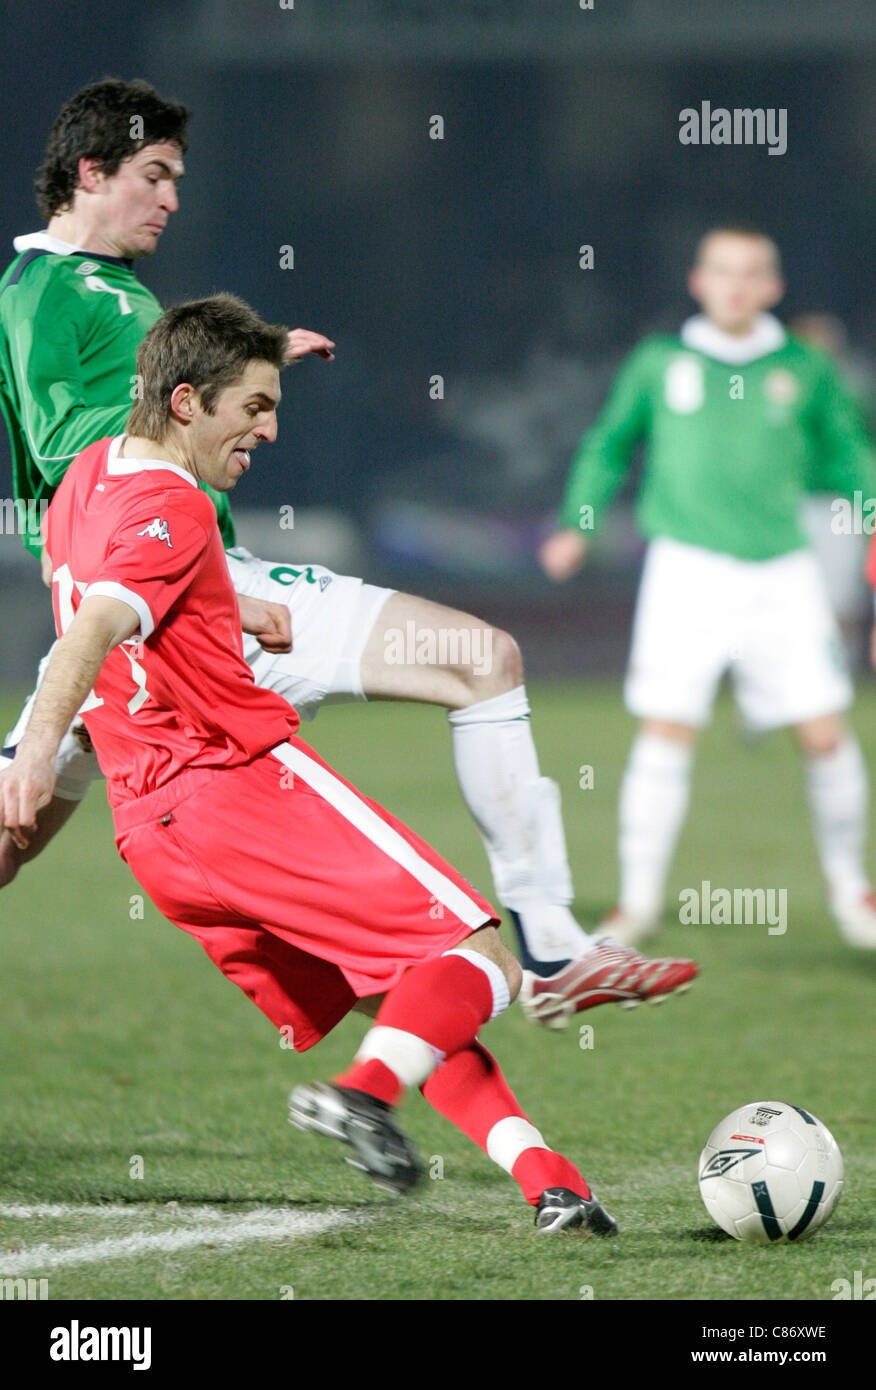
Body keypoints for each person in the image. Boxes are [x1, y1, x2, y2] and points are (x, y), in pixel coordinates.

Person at [0, 76, 697, 1022]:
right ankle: (518, 974)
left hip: (183, 604)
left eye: (177, 178)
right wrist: (217, 393)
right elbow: (66, 452)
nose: (172, 198)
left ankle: (540, 960)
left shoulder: (112, 288)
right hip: (148, 616)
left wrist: (240, 370)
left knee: (480, 659)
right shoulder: (45, 287)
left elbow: (156, 421)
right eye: (155, 175)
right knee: (12, 834)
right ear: (90, 172)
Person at [0, 293, 617, 1236]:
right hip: (238, 789)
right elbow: (97, 621)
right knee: (480, 961)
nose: (270, 431)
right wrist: (36, 750)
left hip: (156, 839)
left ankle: (550, 1179)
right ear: (184, 403)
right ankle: (363, 1097)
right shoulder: (171, 505)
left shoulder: (88, 478)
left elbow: (112, 585)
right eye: (253, 407)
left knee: (400, 992)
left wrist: (228, 607)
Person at [539, 226, 876, 950]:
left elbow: (853, 458)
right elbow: (610, 440)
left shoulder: (804, 368)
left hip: (783, 570)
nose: (736, 285)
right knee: (667, 728)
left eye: (752, 272)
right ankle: (636, 906)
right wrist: (579, 523)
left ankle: (854, 892)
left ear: (773, 287)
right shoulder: (661, 362)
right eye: (723, 271)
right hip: (686, 571)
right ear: (698, 280)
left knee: (824, 732)